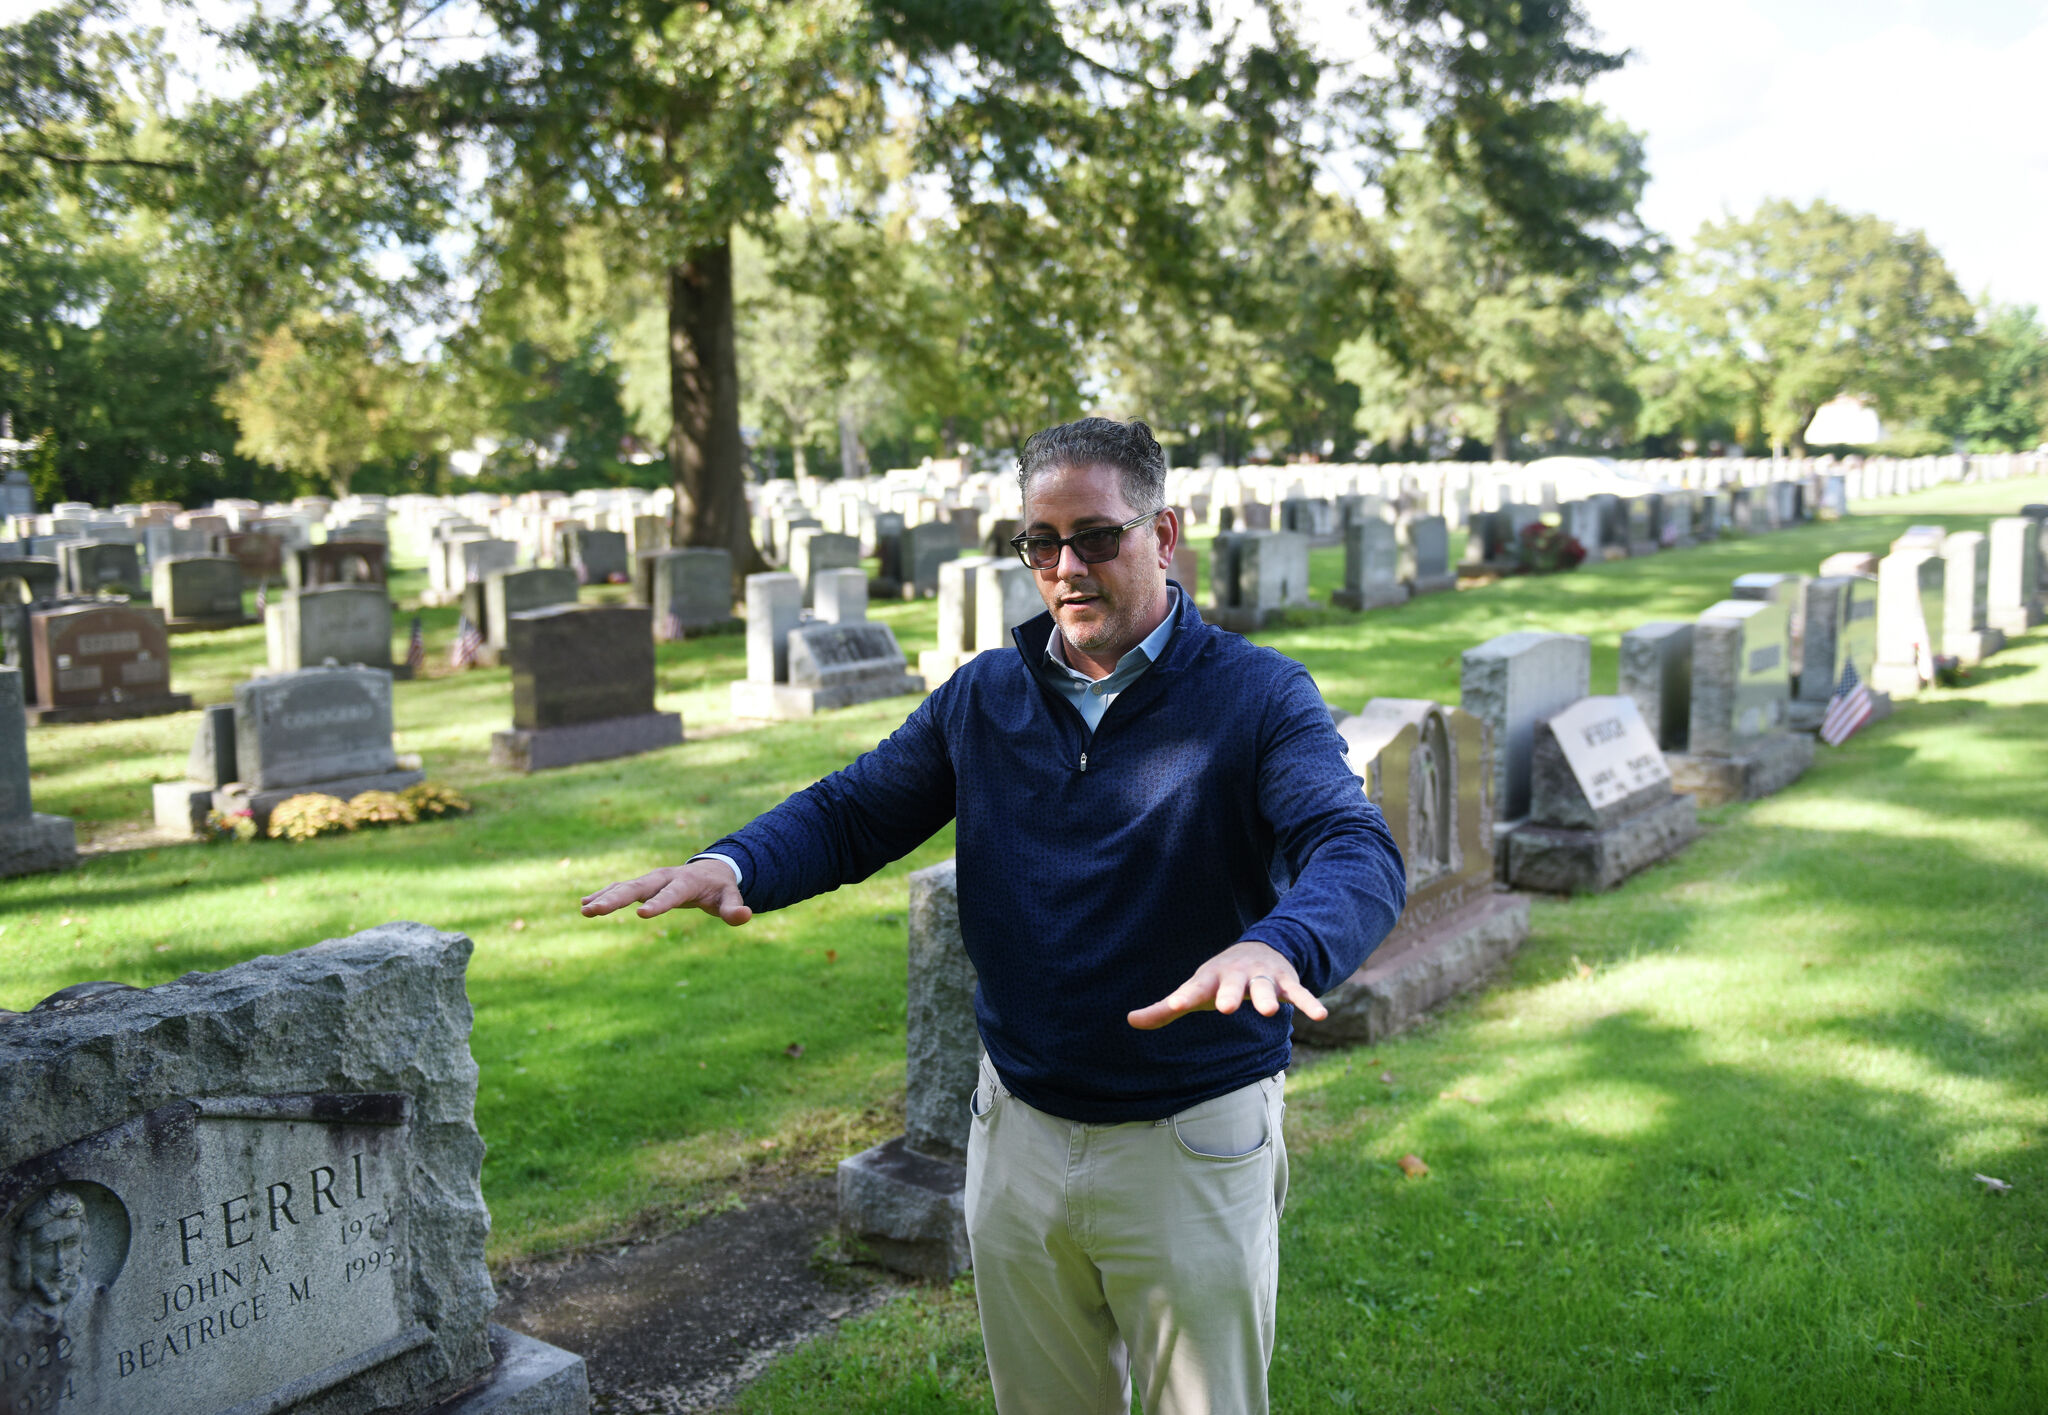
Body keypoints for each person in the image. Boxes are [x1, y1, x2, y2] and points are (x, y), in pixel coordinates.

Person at [583, 416, 1406, 1414]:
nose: (1067, 568)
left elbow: (1353, 845)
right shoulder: (984, 696)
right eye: (1040, 543)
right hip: (1016, 1132)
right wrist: (733, 861)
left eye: (1095, 537)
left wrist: (1282, 941)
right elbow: (853, 810)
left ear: (1162, 534)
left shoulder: (1258, 694)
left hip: (1188, 1139)